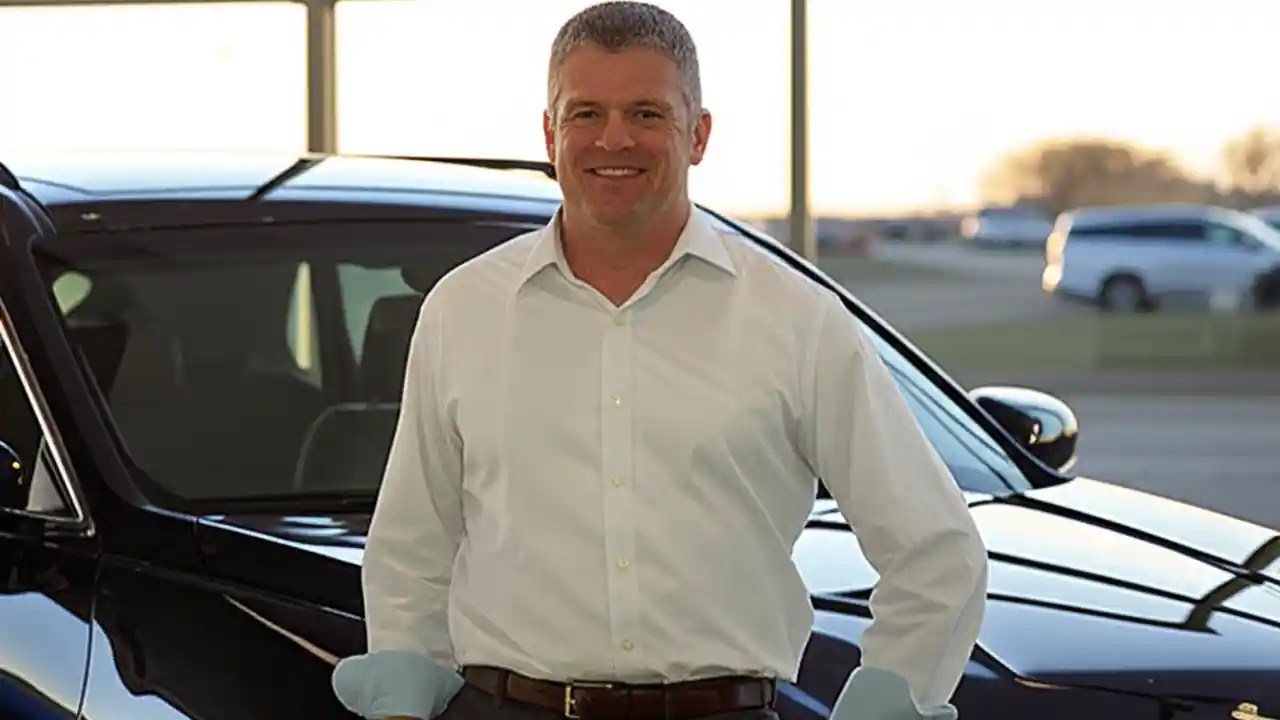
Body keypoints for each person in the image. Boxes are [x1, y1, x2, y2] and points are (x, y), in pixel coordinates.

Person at [332, 2, 989, 719]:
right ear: (550, 132)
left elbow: (937, 551)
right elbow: (411, 548)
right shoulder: (463, 311)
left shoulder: (798, 319)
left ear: (698, 133)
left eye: (647, 114)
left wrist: (889, 703)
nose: (614, 139)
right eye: (586, 114)